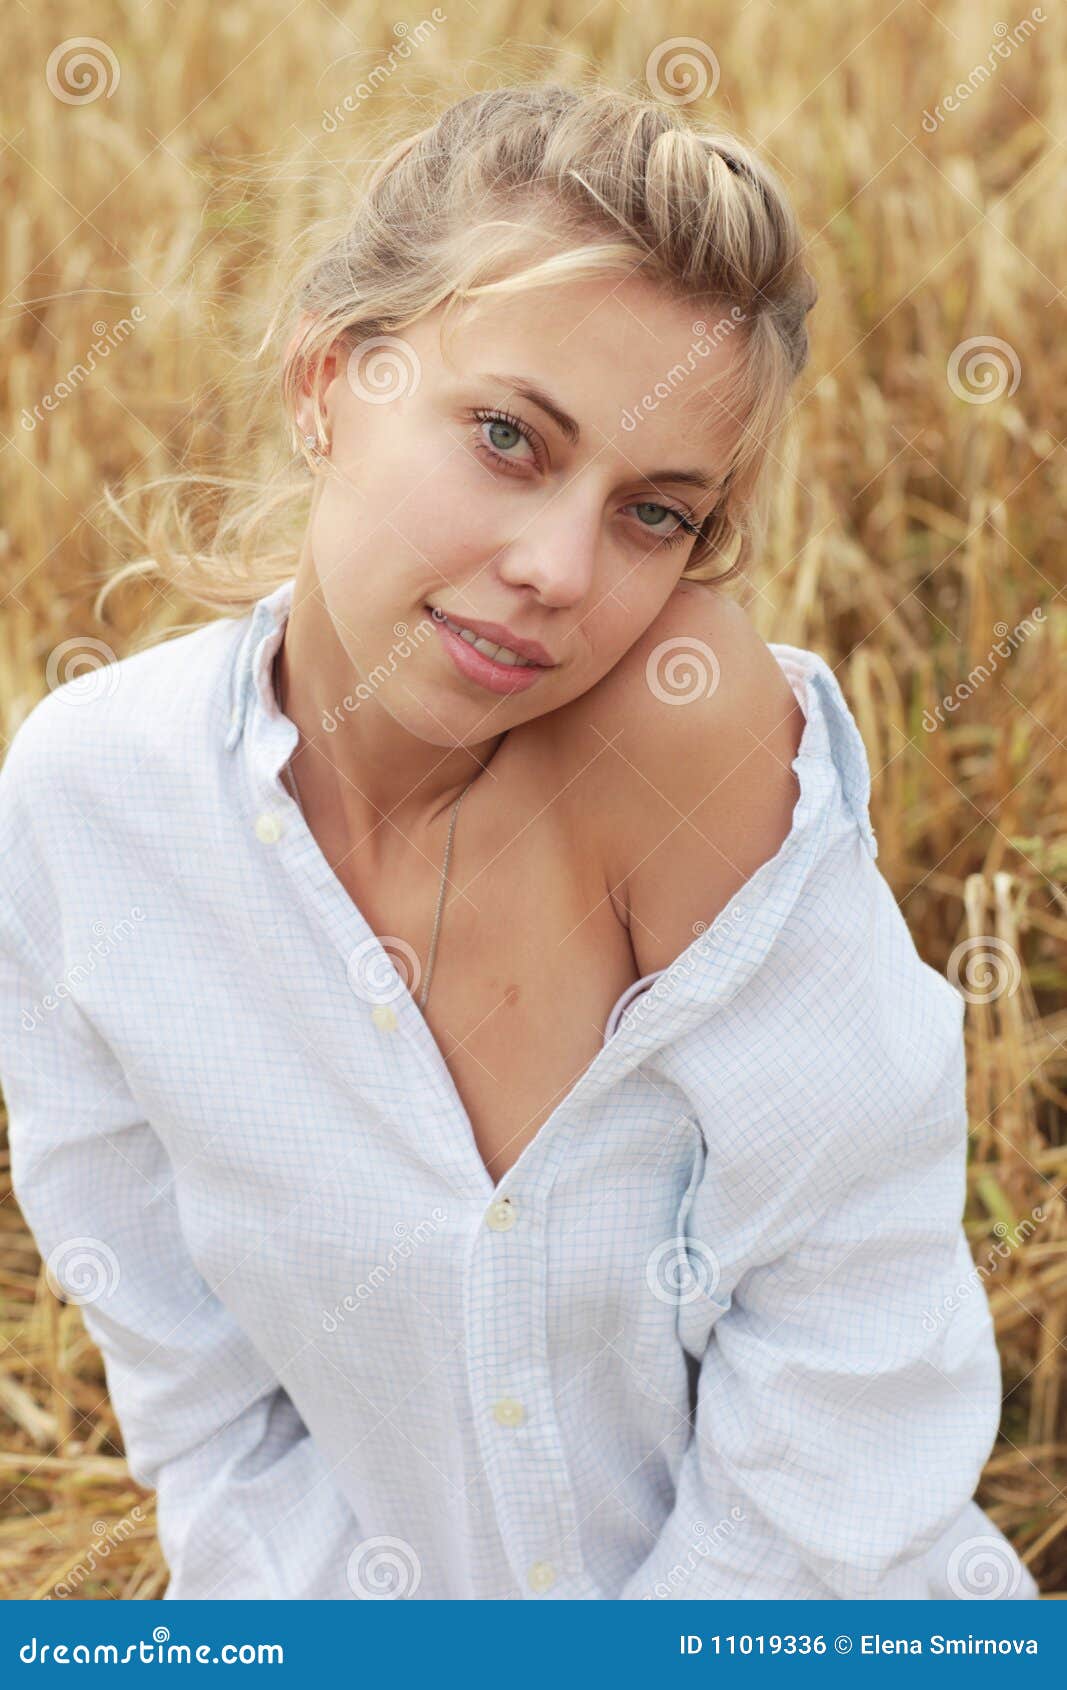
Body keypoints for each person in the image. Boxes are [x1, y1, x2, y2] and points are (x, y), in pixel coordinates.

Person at [0, 82, 1038, 1601]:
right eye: (507, 437)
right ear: (326, 378)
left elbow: (853, 1337)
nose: (558, 568)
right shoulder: (94, 804)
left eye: (654, 514)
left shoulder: (680, 742)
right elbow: (207, 1414)